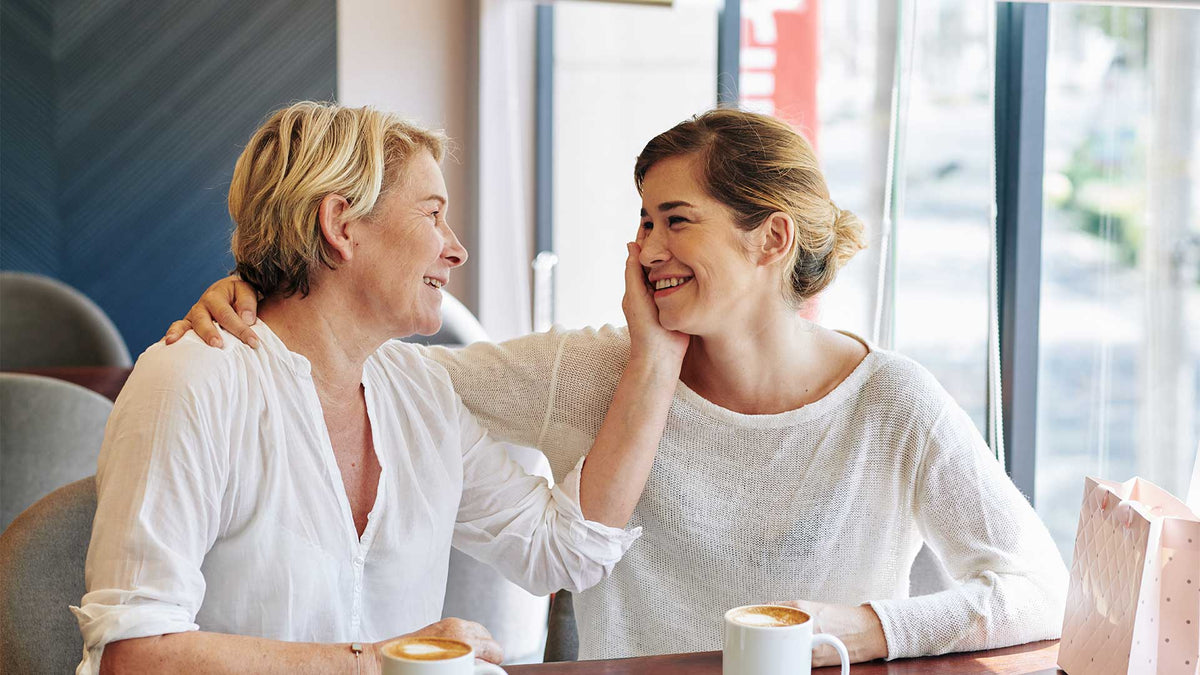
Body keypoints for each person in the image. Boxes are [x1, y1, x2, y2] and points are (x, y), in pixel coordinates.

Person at [168, 108, 1069, 665]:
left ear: (772, 239)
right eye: (643, 221)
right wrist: (263, 295)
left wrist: (861, 629)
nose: (647, 250)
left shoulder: (890, 401)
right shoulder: (593, 369)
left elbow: (1037, 588)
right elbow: (355, 363)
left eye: (678, 220)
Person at [74, 102, 687, 675]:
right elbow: (132, 653)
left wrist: (654, 361)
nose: (457, 249)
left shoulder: (421, 392)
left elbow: (562, 553)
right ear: (341, 224)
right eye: (432, 213)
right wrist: (378, 662)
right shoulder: (192, 378)